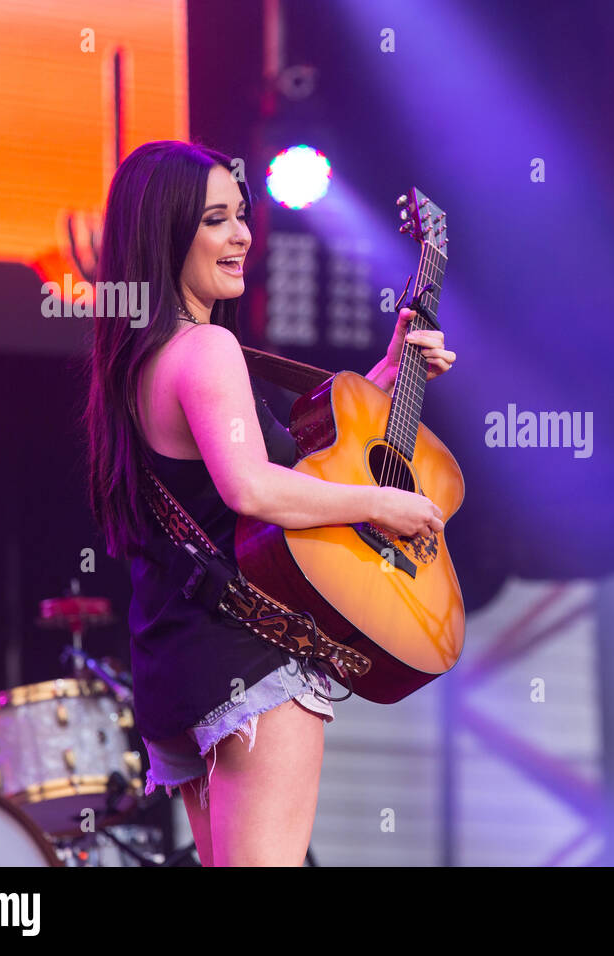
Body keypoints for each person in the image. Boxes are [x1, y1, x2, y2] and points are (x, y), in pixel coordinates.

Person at [82, 141, 456, 866]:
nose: (243, 235)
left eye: (241, 216)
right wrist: (380, 505)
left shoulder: (139, 359)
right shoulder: (209, 349)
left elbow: (279, 463)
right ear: (165, 234)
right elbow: (251, 487)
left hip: (177, 666)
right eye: (216, 220)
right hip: (248, 664)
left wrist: (388, 370)